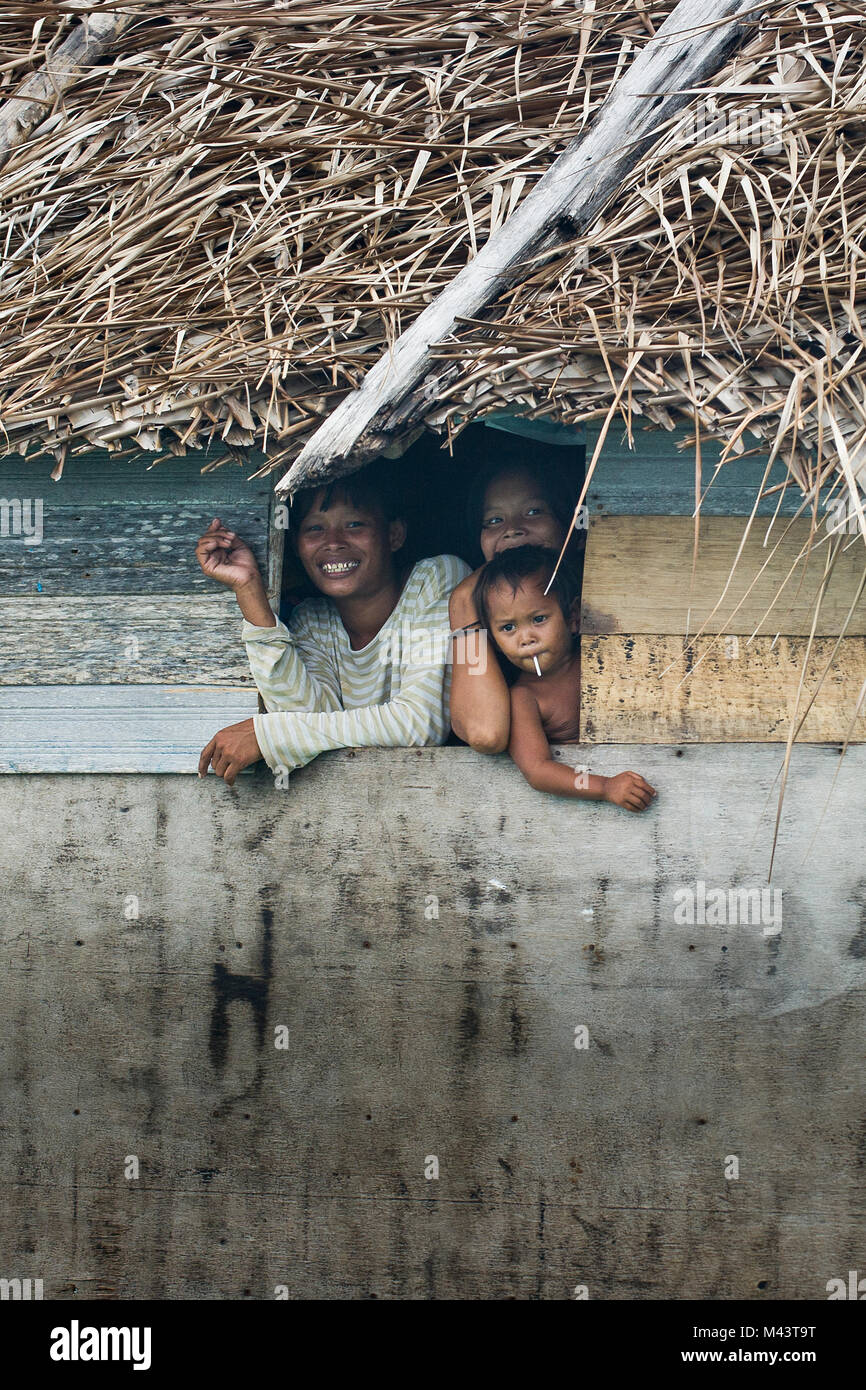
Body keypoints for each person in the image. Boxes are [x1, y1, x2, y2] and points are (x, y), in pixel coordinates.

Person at [194, 469, 470, 785]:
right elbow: (301, 720)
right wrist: (248, 589)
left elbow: (419, 724)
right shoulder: (313, 622)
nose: (334, 543)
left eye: (354, 525)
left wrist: (270, 734)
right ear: (296, 546)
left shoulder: (435, 579)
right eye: (315, 529)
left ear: (394, 534)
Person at [474, 545, 656, 812]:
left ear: (573, 618)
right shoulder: (523, 698)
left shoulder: (605, 659)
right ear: (492, 638)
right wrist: (605, 787)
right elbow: (538, 771)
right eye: (508, 627)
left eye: (538, 619)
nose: (525, 638)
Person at [448, 459, 583, 753]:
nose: (511, 531)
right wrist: (462, 607)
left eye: (534, 512)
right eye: (494, 520)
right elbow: (486, 732)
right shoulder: (474, 606)